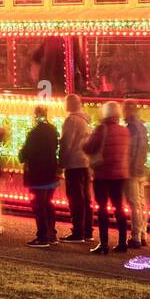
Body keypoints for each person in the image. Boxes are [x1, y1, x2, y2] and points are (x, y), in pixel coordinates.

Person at [82, 101, 131, 254]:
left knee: (102, 208)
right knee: (119, 208)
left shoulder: (100, 129)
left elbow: (88, 148)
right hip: (120, 174)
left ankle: (104, 244)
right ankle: (122, 243)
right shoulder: (124, 131)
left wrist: (85, 139)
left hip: (103, 173)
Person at [19, 106, 60, 247]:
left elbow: (25, 153)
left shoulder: (34, 133)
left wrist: (22, 154)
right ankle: (52, 234)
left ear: (36, 116)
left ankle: (42, 237)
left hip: (37, 175)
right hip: (51, 172)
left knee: (39, 205)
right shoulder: (53, 130)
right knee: (48, 204)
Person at [59, 94, 93, 241]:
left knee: (75, 198)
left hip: (74, 163)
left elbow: (66, 142)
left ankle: (78, 232)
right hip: (84, 162)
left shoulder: (71, 120)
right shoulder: (85, 120)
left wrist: (61, 163)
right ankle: (87, 231)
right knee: (85, 198)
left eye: (66, 103)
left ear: (71, 104)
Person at [122, 100, 150, 249]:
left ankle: (136, 236)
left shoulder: (131, 129)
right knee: (141, 202)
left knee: (134, 204)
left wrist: (127, 166)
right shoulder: (143, 127)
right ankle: (144, 234)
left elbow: (131, 152)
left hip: (133, 170)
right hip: (142, 169)